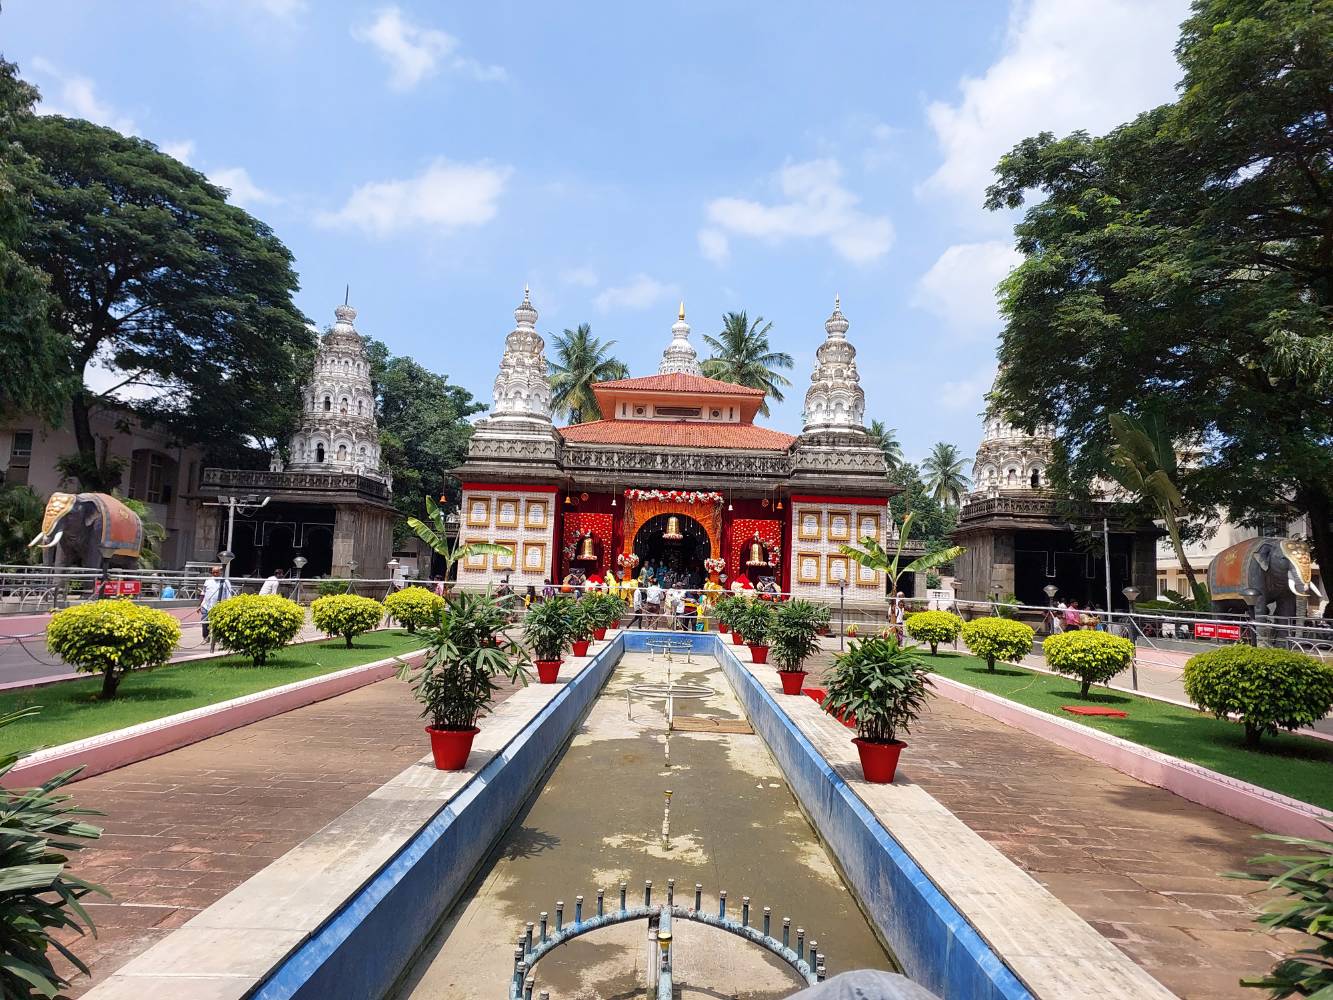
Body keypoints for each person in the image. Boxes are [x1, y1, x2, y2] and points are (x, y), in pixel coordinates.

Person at [200, 566, 233, 640]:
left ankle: (217, 638)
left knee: (218, 624)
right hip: (206, 606)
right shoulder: (208, 581)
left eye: (216, 572)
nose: (215, 574)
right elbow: (203, 593)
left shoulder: (225, 582)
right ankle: (206, 637)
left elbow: (229, 595)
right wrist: (200, 604)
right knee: (205, 622)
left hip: (219, 607)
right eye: (213, 572)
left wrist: (228, 607)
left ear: (220, 572)